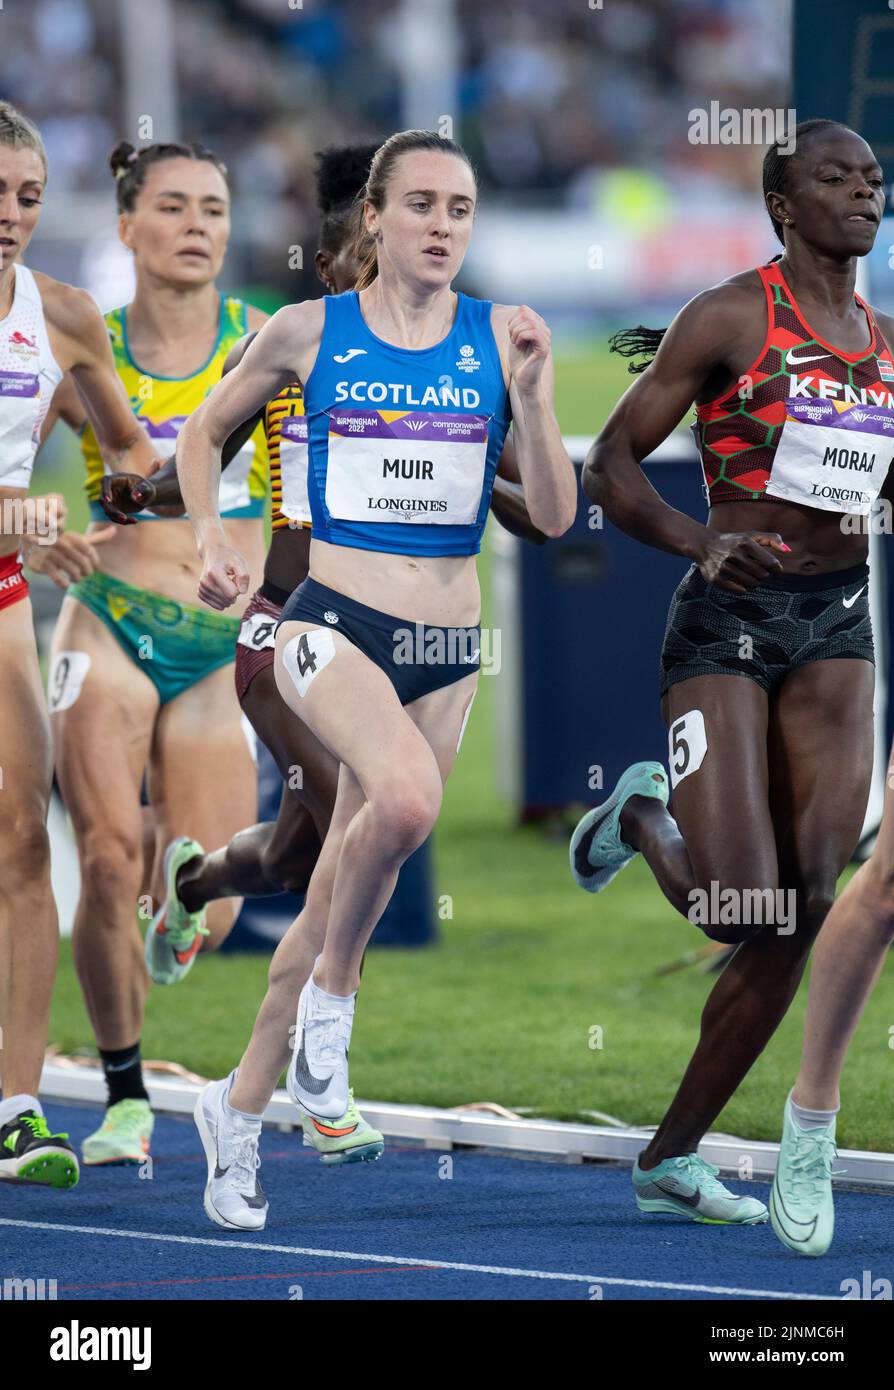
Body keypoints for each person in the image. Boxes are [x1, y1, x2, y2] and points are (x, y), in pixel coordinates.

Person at [99, 142, 548, 1168]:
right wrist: (158, 503)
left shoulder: (437, 353)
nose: (365, 263)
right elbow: (202, 450)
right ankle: (308, 1070)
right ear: (350, 238)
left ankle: (198, 887)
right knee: (359, 820)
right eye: (356, 240)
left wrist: (500, 475)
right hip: (286, 617)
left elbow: (512, 491)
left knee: (310, 849)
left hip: (405, 632)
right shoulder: (296, 346)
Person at [570, 120, 893, 1227]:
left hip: (838, 627)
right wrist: (696, 537)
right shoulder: (731, 315)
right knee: (737, 908)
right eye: (835, 178)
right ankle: (642, 815)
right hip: (730, 621)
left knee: (801, 909)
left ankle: (669, 1157)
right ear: (783, 204)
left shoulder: (888, 342)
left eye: (873, 178)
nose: (862, 190)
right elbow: (610, 462)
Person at [44, 139, 270, 1168]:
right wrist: (34, 524)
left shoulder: (263, 340)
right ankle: (124, 1095)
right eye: (172, 207)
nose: (196, 226)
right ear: (127, 226)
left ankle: (172, 907)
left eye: (214, 209)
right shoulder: (86, 346)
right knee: (100, 855)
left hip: (218, 644)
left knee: (209, 899)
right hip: (109, 616)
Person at [0, 103, 159, 1187]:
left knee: (18, 840)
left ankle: (15, 1107)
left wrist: (128, 488)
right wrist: (19, 514)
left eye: (27, 196)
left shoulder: (57, 316)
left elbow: (128, 451)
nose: (11, 214)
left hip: (3, 591)